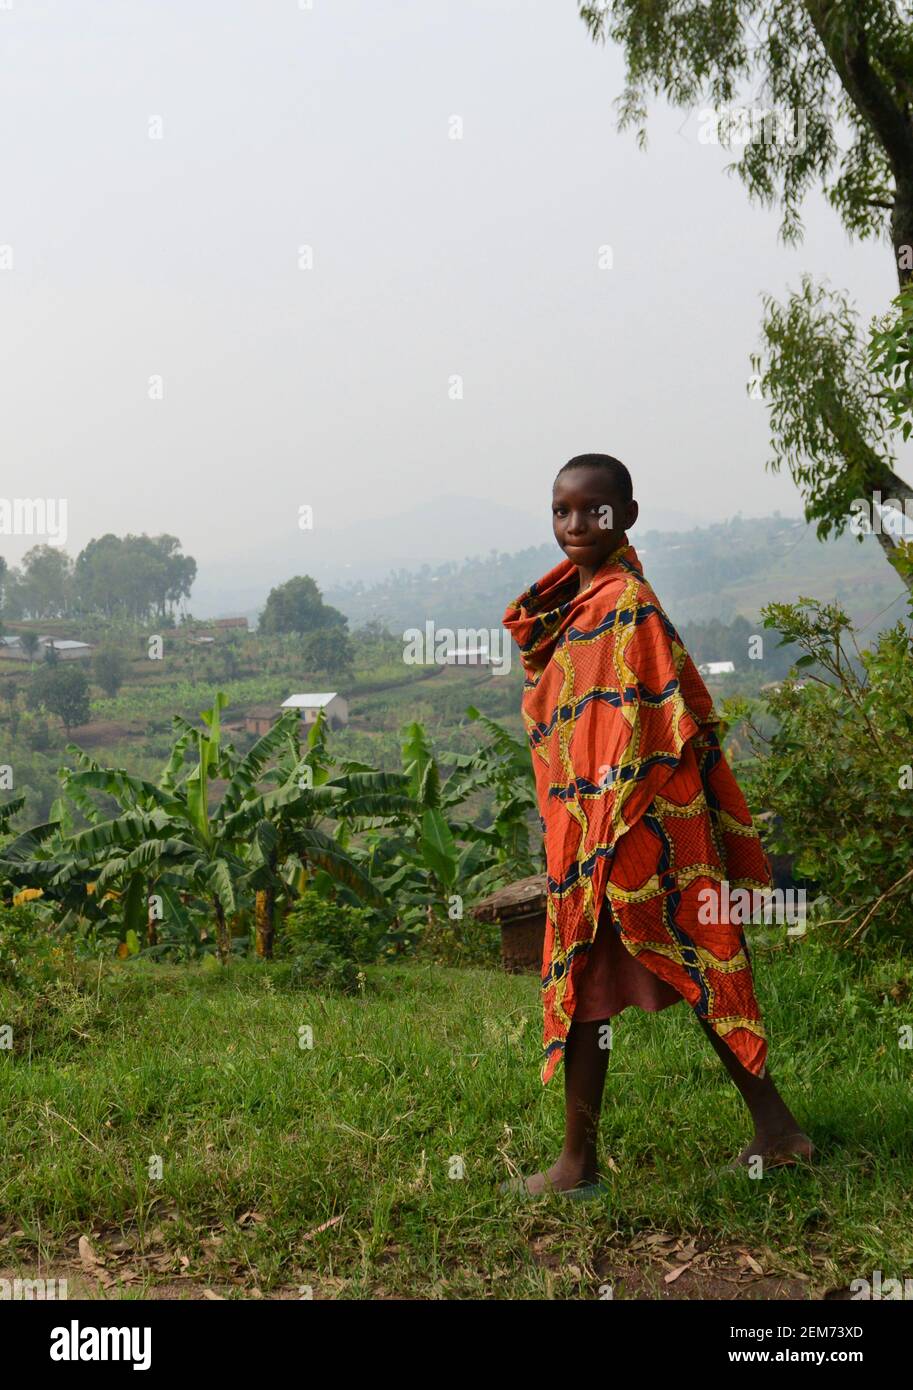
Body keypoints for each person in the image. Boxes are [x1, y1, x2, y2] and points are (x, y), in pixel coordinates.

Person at [500, 454, 813, 1198]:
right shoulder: (571, 608)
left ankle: (581, 1166)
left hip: (636, 830)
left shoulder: (627, 606)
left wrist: (605, 822)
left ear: (625, 517)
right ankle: (772, 1130)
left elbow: (661, 722)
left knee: (643, 978)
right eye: (562, 511)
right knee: (630, 981)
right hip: (594, 833)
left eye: (594, 511)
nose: (577, 525)